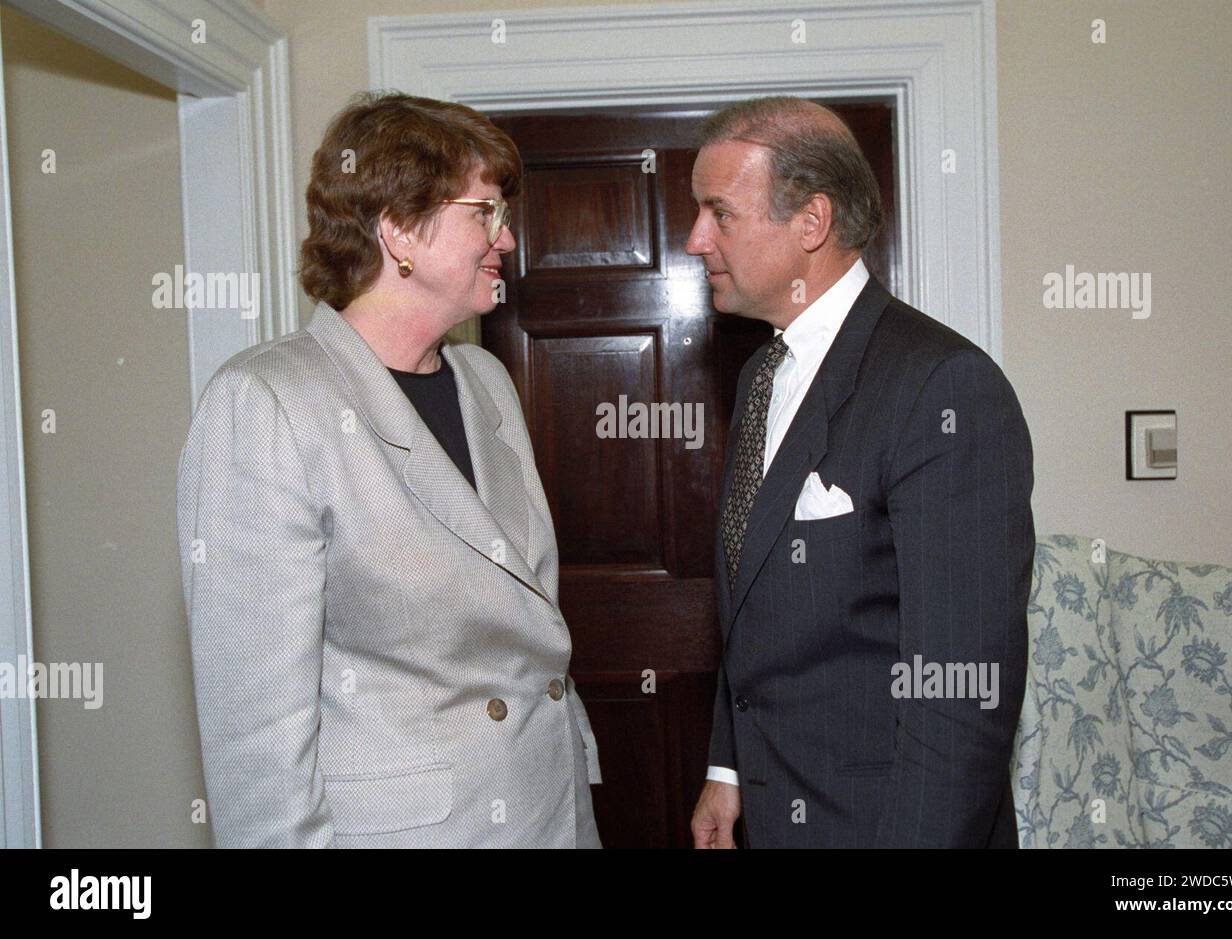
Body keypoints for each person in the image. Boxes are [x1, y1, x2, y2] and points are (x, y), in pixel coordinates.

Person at [176, 92, 600, 848]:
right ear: (399, 228)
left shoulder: (485, 380)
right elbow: (257, 744)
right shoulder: (269, 402)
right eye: (485, 213)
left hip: (547, 809)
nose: (504, 239)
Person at [687, 96, 1034, 848]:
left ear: (811, 222)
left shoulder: (944, 386)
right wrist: (730, 767)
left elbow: (961, 695)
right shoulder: (759, 375)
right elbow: (754, 598)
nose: (694, 239)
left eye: (719, 213)